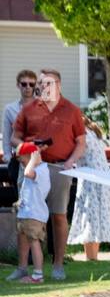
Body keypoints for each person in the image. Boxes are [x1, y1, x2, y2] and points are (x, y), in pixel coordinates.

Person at [12, 69, 87, 281]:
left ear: (59, 86)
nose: (46, 87)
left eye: (51, 83)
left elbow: (81, 142)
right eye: (43, 84)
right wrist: (29, 148)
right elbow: (14, 139)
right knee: (26, 216)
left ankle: (57, 265)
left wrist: (71, 161)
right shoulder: (29, 109)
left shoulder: (71, 110)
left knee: (59, 215)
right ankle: (23, 267)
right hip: (32, 168)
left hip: (59, 168)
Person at [67, 120, 110, 261]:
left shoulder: (81, 133)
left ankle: (91, 257)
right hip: (103, 177)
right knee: (97, 217)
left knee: (89, 218)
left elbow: (73, 151)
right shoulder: (93, 131)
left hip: (90, 178)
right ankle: (92, 256)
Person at [7, 142, 50, 284]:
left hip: (34, 215)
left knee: (34, 242)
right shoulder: (33, 168)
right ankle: (23, 269)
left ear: (31, 157)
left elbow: (28, 173)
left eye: (22, 160)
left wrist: (33, 159)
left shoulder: (41, 170)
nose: (22, 164)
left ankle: (38, 275)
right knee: (25, 240)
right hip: (26, 213)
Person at [3, 69, 39, 165]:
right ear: (18, 85)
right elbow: (7, 135)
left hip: (40, 156)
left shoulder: (42, 106)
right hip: (19, 158)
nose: (28, 87)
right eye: (24, 84)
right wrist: (8, 157)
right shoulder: (9, 109)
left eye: (31, 84)